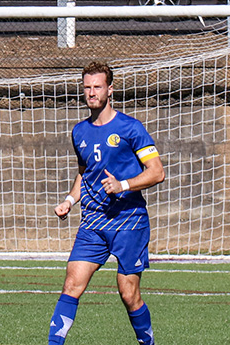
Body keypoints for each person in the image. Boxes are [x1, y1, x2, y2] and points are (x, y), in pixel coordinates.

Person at [49, 61, 165, 345]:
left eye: (97, 86)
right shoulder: (79, 132)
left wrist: (122, 185)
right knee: (71, 284)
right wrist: (69, 200)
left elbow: (157, 172)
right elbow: (84, 173)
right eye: (87, 87)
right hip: (93, 222)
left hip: (129, 221)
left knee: (128, 294)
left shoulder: (131, 128)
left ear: (110, 89)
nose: (91, 92)